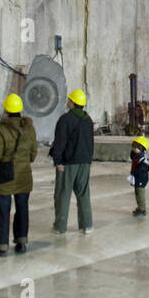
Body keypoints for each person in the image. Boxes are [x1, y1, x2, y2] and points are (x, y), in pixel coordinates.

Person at [0, 93, 37, 257]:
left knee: (3, 211)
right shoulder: (30, 128)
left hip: (5, 175)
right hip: (24, 175)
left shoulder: (3, 129)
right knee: (22, 209)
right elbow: (33, 153)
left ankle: (2, 245)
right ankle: (21, 242)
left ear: (7, 110)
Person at [50, 88, 94, 235]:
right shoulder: (88, 120)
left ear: (73, 103)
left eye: (69, 100)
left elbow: (60, 142)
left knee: (63, 193)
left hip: (68, 163)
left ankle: (60, 226)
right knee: (83, 193)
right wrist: (88, 160)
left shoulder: (66, 119)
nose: (67, 102)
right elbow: (90, 143)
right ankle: (87, 225)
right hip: (85, 162)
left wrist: (58, 161)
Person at [129, 135, 149, 217]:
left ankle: (142, 209)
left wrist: (135, 172)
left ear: (141, 149)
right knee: (137, 193)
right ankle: (140, 207)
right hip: (136, 178)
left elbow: (145, 169)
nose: (133, 149)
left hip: (141, 178)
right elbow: (132, 157)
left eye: (135, 148)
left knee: (140, 193)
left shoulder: (142, 159)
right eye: (133, 147)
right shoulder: (136, 155)